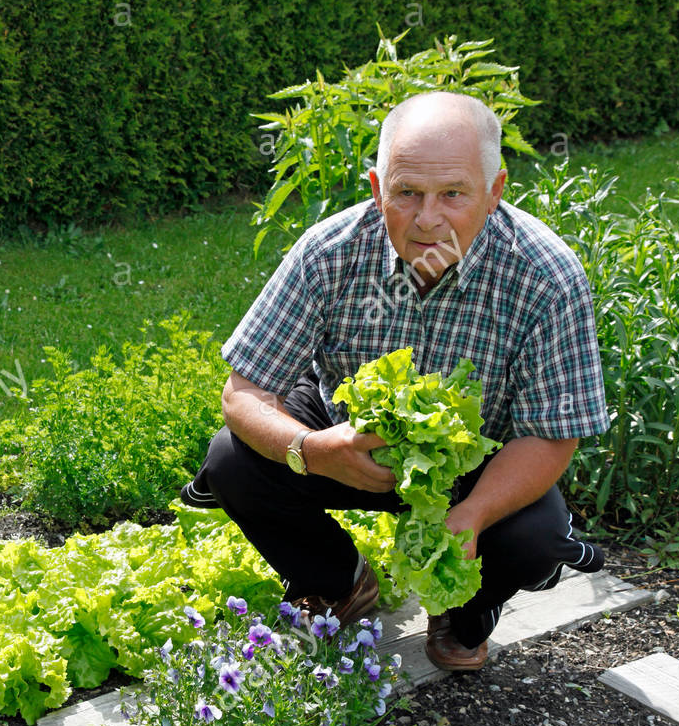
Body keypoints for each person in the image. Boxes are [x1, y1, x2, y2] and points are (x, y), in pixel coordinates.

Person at [180, 91, 608, 671]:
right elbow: (244, 392)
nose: (428, 217)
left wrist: (472, 516)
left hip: (472, 467)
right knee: (233, 459)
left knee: (536, 538)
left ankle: (462, 608)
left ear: (495, 190)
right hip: (347, 439)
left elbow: (551, 436)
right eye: (407, 193)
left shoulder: (546, 275)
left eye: (453, 194)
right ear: (379, 189)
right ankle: (337, 580)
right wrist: (312, 450)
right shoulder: (329, 252)